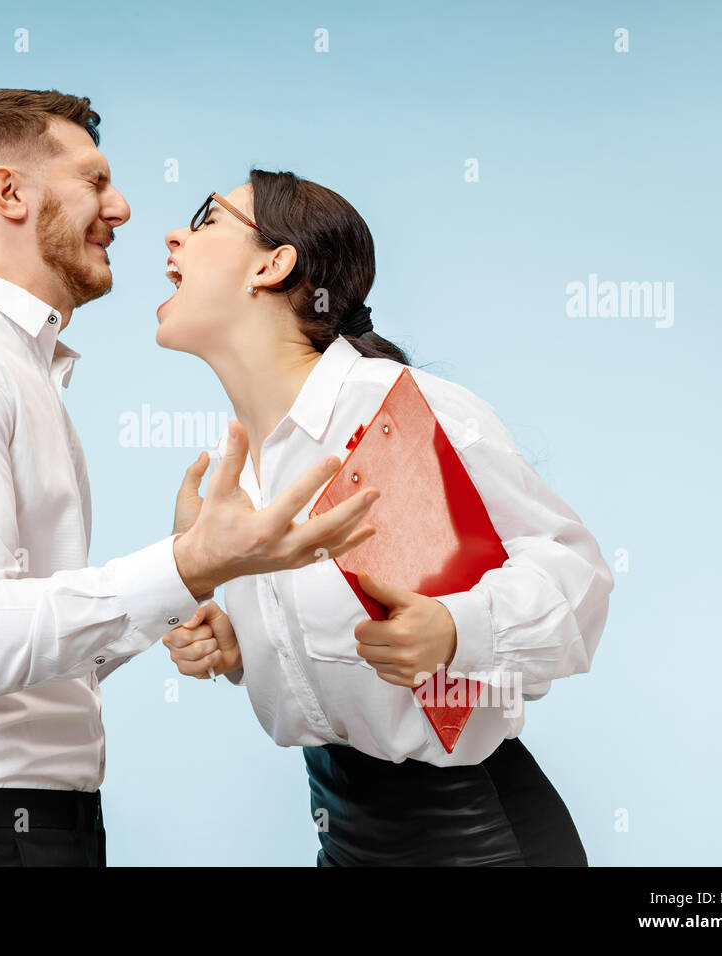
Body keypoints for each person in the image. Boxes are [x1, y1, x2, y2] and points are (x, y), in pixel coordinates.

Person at [0, 92, 380, 867]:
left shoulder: (25, 374)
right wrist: (192, 564)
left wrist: (186, 570)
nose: (120, 207)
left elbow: (41, 658)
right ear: (11, 194)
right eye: (94, 181)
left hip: (40, 835)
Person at [159, 171, 614, 866]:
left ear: (273, 265)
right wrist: (242, 646)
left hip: (473, 841)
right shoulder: (242, 463)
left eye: (207, 219)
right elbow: (335, 657)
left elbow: (578, 581)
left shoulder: (395, 411)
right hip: (343, 834)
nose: (175, 235)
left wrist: (457, 631)